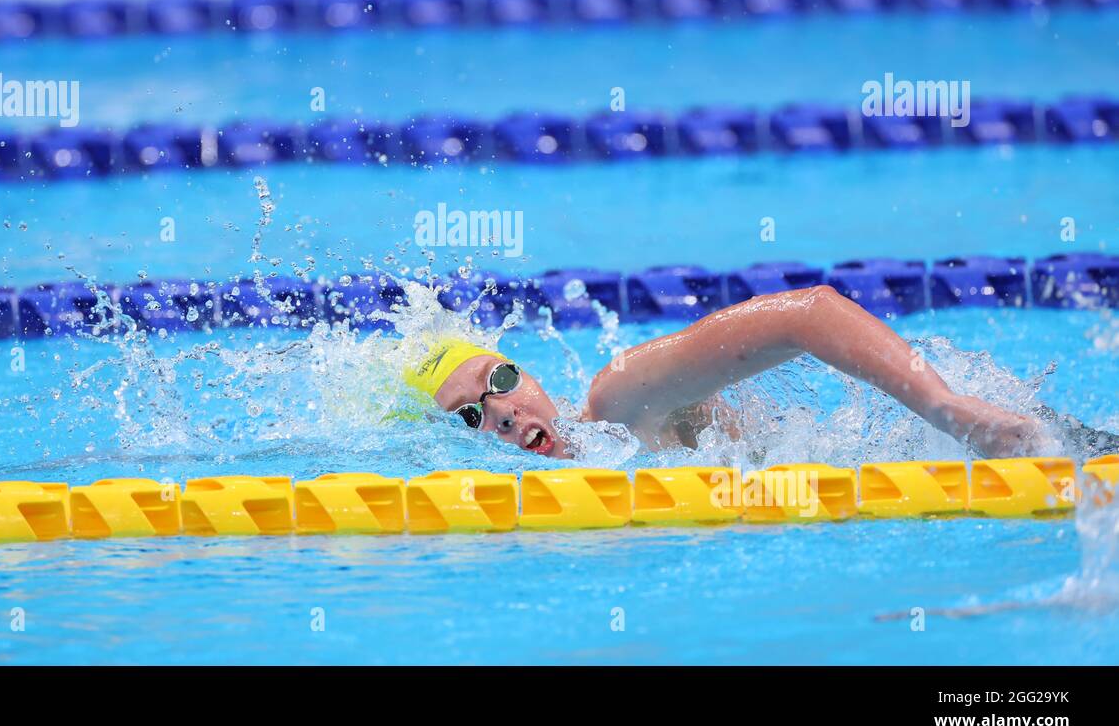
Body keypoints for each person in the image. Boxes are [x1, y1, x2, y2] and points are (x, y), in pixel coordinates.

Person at [405, 284, 1111, 460]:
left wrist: (950, 412)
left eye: (497, 383)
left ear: (525, 375)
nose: (496, 413)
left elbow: (808, 314)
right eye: (468, 416)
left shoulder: (622, 402)